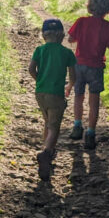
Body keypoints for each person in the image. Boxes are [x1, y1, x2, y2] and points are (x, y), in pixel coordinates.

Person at [67, 0, 109, 150]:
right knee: (94, 101)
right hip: (96, 68)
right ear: (108, 9)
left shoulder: (81, 21)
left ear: (89, 6)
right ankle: (90, 133)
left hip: (79, 65)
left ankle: (77, 126)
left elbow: (70, 39)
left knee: (78, 97)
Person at [28, 18, 76, 182]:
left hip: (40, 93)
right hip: (56, 94)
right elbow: (73, 75)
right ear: (61, 34)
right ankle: (47, 153)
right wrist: (69, 86)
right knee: (54, 127)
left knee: (47, 122)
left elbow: (31, 69)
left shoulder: (39, 50)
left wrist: (39, 80)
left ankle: (46, 151)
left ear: (43, 34)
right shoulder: (67, 53)